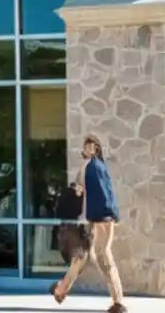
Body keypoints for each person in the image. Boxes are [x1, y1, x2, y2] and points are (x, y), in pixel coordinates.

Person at [50, 134, 124, 313]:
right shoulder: (97, 167)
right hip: (97, 219)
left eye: (90, 146)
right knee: (83, 256)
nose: (87, 148)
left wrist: (102, 216)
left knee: (101, 254)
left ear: (95, 149)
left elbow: (89, 193)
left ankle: (118, 302)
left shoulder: (91, 167)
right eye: (86, 146)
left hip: (97, 218)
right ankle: (61, 290)